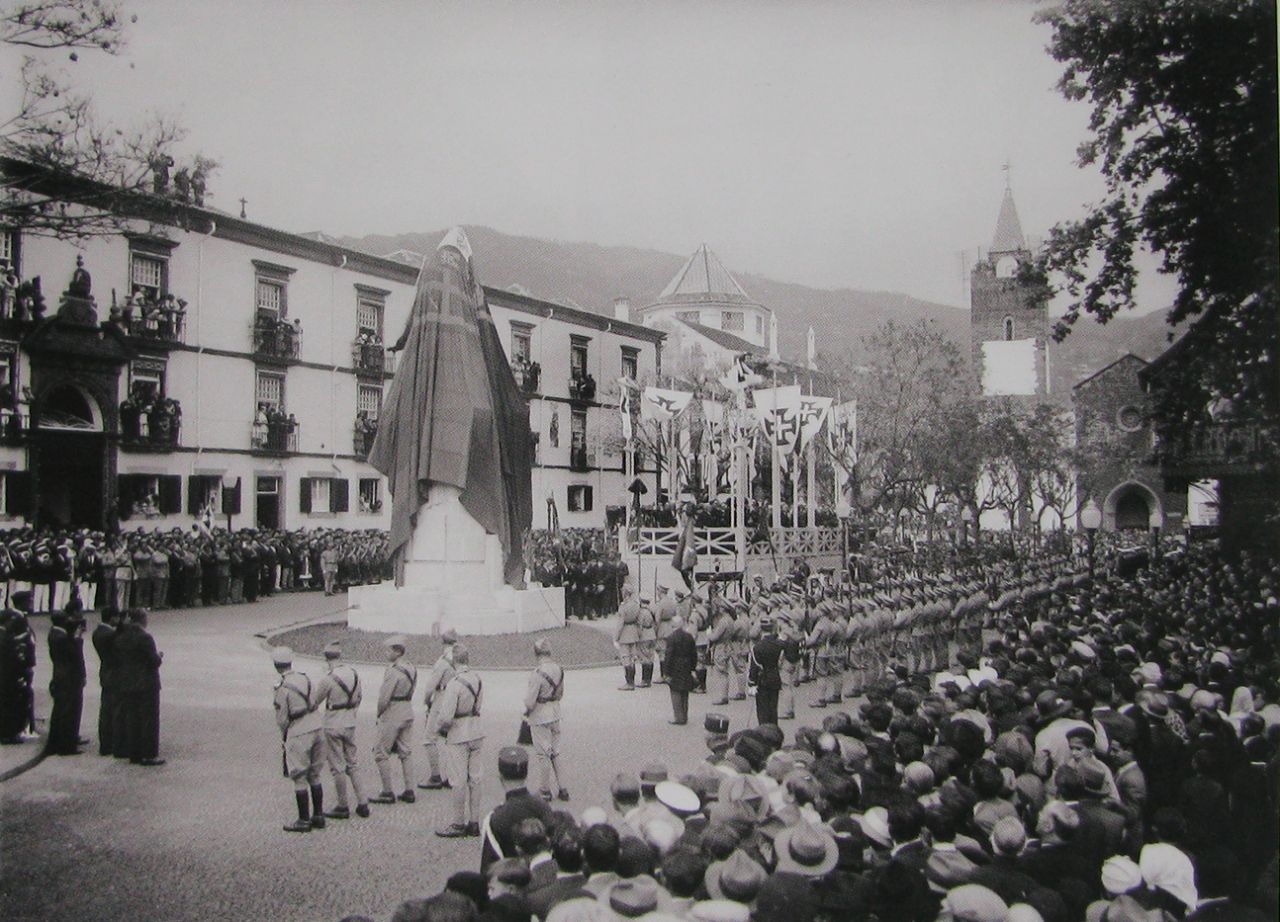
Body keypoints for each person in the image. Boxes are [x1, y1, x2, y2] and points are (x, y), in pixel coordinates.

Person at [312, 640, 370, 820]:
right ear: (340, 657)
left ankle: (343, 805)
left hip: (332, 723)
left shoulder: (328, 678)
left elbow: (315, 702)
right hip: (350, 721)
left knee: (337, 766)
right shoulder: (354, 674)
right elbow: (359, 697)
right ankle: (363, 803)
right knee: (353, 763)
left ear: (326, 659)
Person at [271, 646, 326, 833]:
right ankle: (318, 816)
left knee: (299, 776)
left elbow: (282, 719)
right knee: (315, 774)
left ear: (276, 666)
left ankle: (303, 820)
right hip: (317, 726)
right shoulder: (305, 678)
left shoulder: (281, 688)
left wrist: (284, 736)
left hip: (299, 731)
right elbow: (314, 701)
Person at [435, 643, 485, 838]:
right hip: (476, 730)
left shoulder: (454, 683)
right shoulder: (478, 679)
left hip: (458, 733)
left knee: (458, 780)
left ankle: (457, 823)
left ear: (454, 661)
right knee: (476, 779)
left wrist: (440, 730)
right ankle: (474, 822)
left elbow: (446, 717)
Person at [479, 745, 552, 870]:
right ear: (526, 776)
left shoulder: (495, 818)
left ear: (501, 778)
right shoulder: (544, 807)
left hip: (511, 881)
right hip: (544, 879)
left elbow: (489, 867)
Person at [113, 608, 164, 766]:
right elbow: (153, 661)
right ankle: (149, 754)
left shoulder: (121, 636)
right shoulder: (145, 637)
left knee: (132, 719)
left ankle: (134, 753)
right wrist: (159, 656)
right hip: (146, 683)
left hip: (127, 682)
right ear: (142, 620)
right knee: (149, 719)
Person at [370, 634, 417, 805]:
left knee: (380, 753)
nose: (386, 654)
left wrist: (379, 714)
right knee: (406, 752)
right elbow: (412, 690)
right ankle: (410, 790)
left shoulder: (392, 671)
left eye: (389, 650)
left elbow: (384, 698)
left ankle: (387, 791)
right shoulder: (411, 668)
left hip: (393, 712)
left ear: (397, 652)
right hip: (407, 709)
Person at [524, 637, 567, 802]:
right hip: (555, 712)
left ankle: (545, 789)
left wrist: (526, 707)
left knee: (543, 754)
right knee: (556, 752)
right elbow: (560, 694)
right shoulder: (559, 669)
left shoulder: (537, 674)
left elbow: (529, 701)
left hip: (540, 715)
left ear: (536, 654)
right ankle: (563, 788)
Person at [45, 604, 88, 755]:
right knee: (69, 712)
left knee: (61, 711)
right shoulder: (61, 637)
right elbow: (74, 654)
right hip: (68, 678)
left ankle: (58, 742)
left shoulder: (56, 634)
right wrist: (77, 637)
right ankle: (66, 745)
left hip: (61, 676)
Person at [419, 628, 458, 791]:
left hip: (441, 698)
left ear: (443, 643)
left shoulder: (442, 662)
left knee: (429, 738)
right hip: (455, 699)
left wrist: (427, 701)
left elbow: (430, 687)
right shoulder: (460, 659)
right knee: (450, 740)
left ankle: (435, 776)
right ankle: (452, 776)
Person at [0, 588, 36, 744]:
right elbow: (16, 644)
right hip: (14, 667)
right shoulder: (16, 618)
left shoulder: (16, 616)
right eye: (29, 601)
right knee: (16, 699)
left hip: (16, 666)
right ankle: (14, 730)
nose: (30, 604)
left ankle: (18, 728)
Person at [91, 607, 122, 756]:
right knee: (114, 710)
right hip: (115, 673)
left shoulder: (98, 632)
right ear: (111, 618)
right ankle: (112, 742)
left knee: (106, 709)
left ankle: (106, 743)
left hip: (106, 673)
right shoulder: (111, 634)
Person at [662, 615, 697, 726]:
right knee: (685, 692)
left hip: (675, 667)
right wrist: (692, 667)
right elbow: (694, 654)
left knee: (675, 691)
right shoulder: (689, 637)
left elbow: (668, 656)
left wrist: (666, 671)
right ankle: (685, 715)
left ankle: (678, 717)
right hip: (686, 665)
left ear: (673, 625)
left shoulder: (671, 638)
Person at [751, 616, 783, 727]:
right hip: (775, 677)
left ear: (761, 629)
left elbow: (754, 667)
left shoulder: (757, 647)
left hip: (762, 679)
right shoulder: (779, 644)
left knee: (763, 710)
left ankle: (764, 733)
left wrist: (752, 682)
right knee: (773, 709)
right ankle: (774, 731)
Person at [614, 589, 641, 691]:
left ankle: (629, 682)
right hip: (634, 632)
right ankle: (632, 681)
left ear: (625, 594)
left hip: (625, 633)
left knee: (626, 658)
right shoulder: (636, 604)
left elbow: (620, 623)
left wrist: (616, 637)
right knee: (633, 657)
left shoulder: (623, 606)